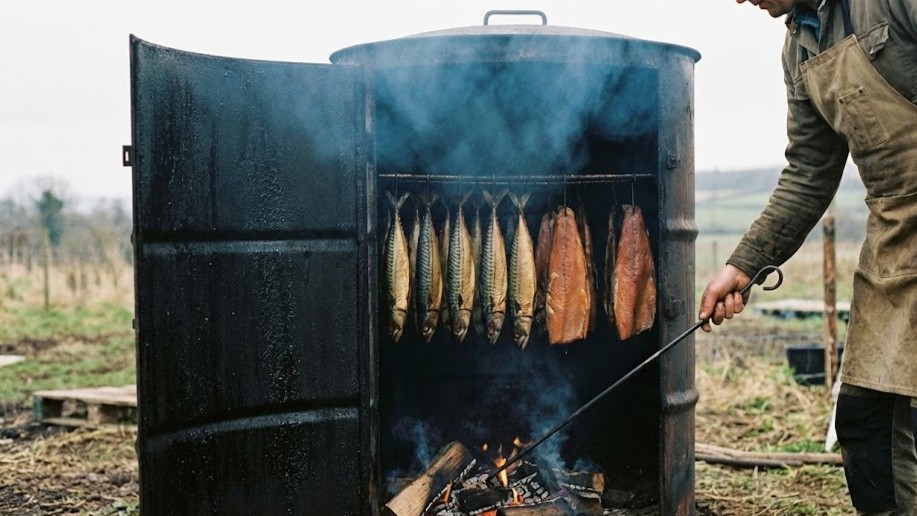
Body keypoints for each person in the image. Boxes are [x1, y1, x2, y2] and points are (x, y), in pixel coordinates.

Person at [698, 0, 917, 513]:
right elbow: (809, 173)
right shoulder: (799, 48)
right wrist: (743, 265)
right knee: (866, 419)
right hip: (894, 236)